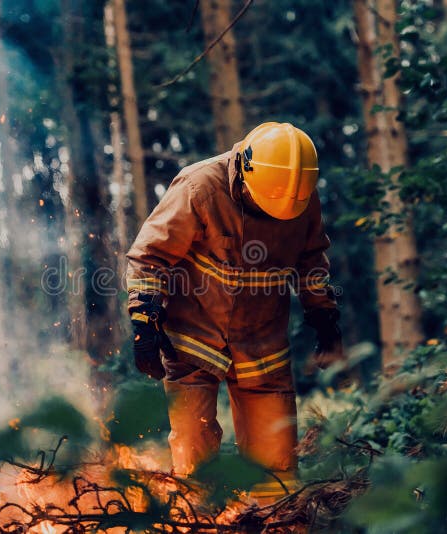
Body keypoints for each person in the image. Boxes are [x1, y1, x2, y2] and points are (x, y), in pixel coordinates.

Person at [125, 122, 344, 502]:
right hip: (193, 341)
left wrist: (323, 316)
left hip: (264, 346)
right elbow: (150, 257)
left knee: (276, 473)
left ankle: (276, 524)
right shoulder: (198, 187)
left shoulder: (300, 197)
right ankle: (199, 522)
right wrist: (144, 318)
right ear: (244, 169)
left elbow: (311, 261)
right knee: (196, 466)